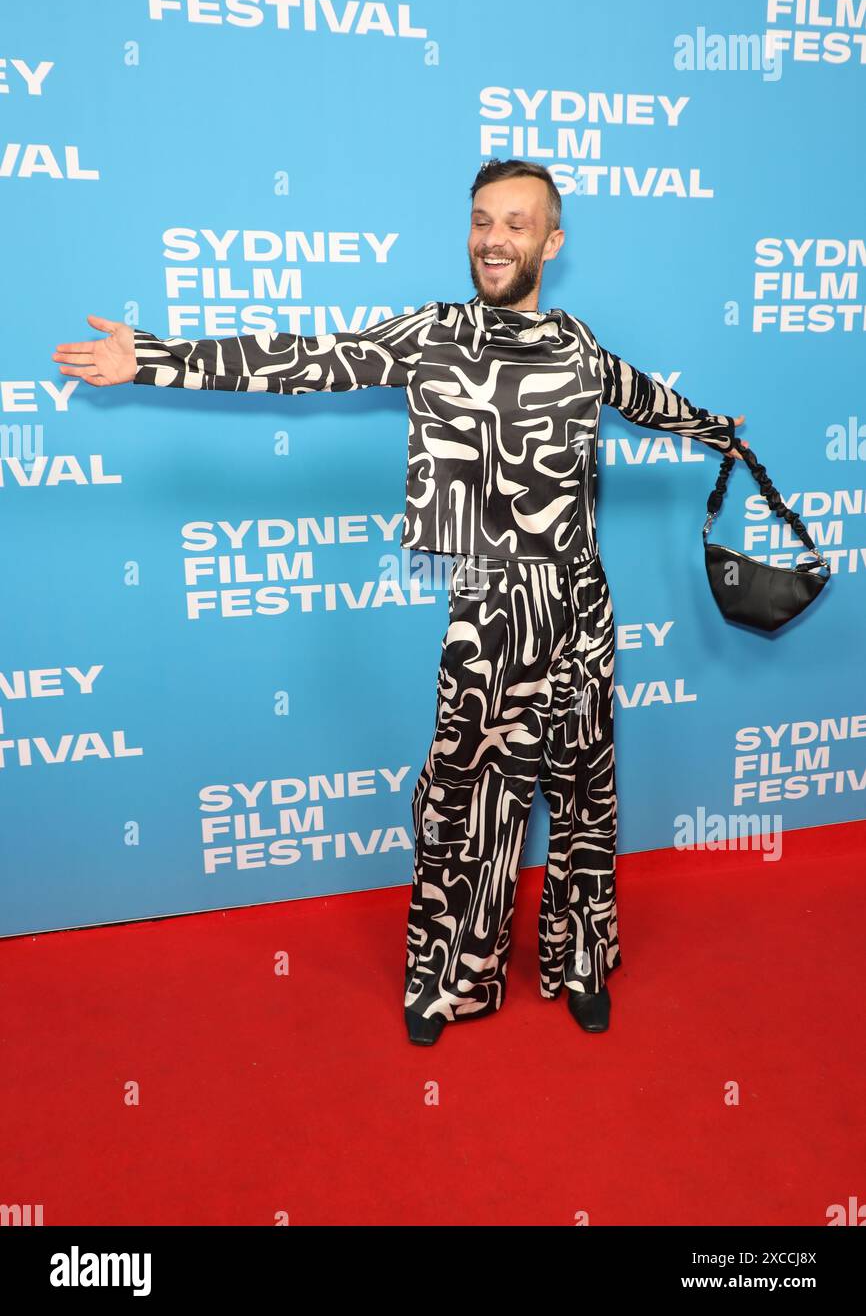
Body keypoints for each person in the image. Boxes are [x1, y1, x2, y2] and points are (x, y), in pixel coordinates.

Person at [53, 158, 747, 1048]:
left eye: (516, 223)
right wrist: (152, 358)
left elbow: (651, 400)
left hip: (582, 603)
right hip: (490, 603)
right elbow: (304, 361)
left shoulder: (579, 347)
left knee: (584, 788)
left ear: (552, 241)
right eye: (482, 220)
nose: (495, 238)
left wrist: (723, 433)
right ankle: (449, 978)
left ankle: (582, 959)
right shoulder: (433, 335)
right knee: (467, 796)